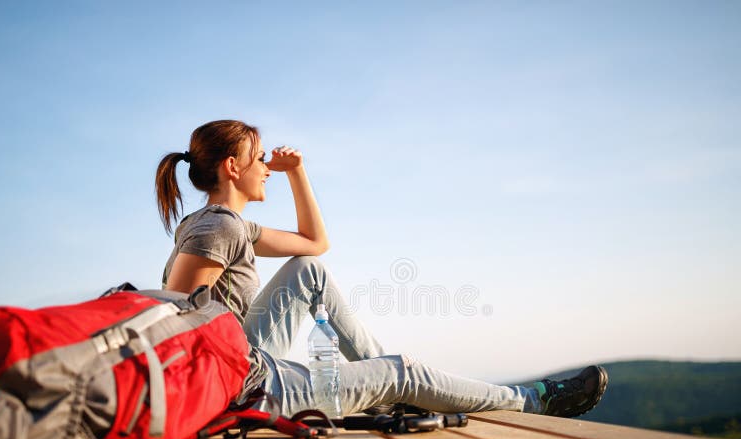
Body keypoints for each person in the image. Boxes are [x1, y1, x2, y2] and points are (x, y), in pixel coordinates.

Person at [155, 119, 607, 418]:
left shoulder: (227, 224)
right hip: (241, 389)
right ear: (232, 167)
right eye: (259, 159)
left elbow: (315, 243)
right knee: (404, 370)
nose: (266, 168)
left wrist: (297, 172)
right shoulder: (217, 228)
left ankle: (388, 388)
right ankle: (534, 400)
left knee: (309, 269)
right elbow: (177, 327)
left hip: (241, 367)